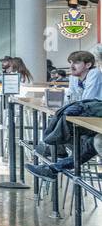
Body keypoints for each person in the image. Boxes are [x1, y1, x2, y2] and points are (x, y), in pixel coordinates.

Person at [29, 49, 102, 179]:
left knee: (86, 138)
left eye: (77, 62)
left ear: (88, 65)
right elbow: (72, 98)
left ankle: (53, 150)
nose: (72, 66)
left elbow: (86, 100)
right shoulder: (75, 78)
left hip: (94, 117)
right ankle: (55, 153)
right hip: (88, 120)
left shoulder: (95, 74)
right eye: (71, 63)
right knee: (66, 120)